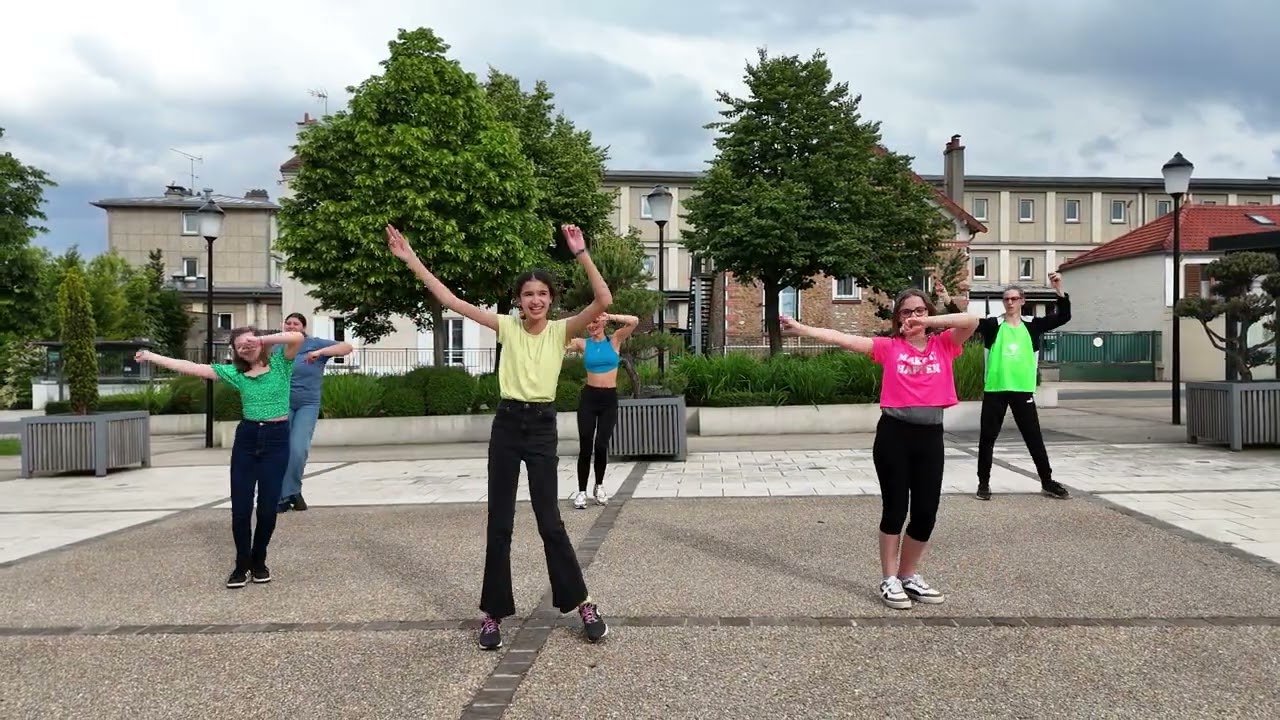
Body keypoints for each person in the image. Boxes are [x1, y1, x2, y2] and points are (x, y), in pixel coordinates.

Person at [387, 222, 612, 650]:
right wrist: (411, 259)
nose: (536, 300)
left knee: (551, 523)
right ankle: (492, 614)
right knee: (500, 524)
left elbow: (603, 299)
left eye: (542, 294)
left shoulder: (562, 331)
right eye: (528, 294)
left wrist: (581, 253)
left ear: (550, 299)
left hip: (543, 426)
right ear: (519, 300)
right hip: (507, 426)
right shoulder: (506, 326)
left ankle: (581, 601)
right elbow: (451, 299)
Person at [780, 289, 978, 610]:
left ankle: (908, 575)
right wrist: (803, 329)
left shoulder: (944, 344)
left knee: (926, 512)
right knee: (896, 509)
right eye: (905, 312)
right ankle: (889, 578)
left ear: (927, 313)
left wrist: (927, 321)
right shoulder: (889, 348)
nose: (912, 316)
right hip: (894, 435)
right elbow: (842, 338)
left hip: (930, 436)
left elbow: (972, 320)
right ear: (897, 318)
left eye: (918, 310)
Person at [135, 327, 305, 588]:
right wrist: (152, 356)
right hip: (247, 439)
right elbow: (191, 367)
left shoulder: (282, 364)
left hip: (277, 440)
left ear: (260, 342)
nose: (246, 347)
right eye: (240, 345)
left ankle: (259, 560)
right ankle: (241, 564)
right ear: (235, 352)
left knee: (268, 507)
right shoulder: (236, 374)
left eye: (249, 342)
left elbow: (297, 338)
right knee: (240, 509)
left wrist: (262, 339)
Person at [971, 273, 1072, 501]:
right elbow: (966, 324)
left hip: (1023, 390)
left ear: (1022, 301)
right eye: (1006, 299)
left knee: (1033, 437)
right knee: (987, 438)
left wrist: (1059, 289)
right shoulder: (992, 325)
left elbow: (1064, 315)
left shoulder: (1033, 325)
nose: (1009, 302)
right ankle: (983, 483)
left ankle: (1047, 482)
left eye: (1014, 298)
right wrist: (947, 300)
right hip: (995, 389)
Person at [277, 312, 354, 513]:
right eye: (288, 324)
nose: (291, 326)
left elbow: (347, 347)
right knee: (281, 450)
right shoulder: (277, 346)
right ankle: (288, 494)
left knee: (298, 449)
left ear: (303, 328)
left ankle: (289, 493)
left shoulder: (314, 343)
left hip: (307, 405)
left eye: (296, 324)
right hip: (282, 403)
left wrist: (320, 353)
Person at [566, 312, 639, 510]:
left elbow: (634, 321)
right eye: (589, 322)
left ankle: (599, 486)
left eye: (596, 321)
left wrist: (610, 315)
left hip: (608, 400)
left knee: (601, 445)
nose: (592, 325)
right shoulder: (583, 343)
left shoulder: (615, 340)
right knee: (585, 445)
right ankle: (581, 492)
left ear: (604, 322)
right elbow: (560, 340)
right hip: (589, 398)